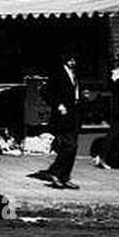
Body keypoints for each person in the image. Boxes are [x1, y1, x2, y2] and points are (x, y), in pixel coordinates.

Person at [38, 51, 81, 189]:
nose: (73, 62)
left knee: (72, 147)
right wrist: (58, 105)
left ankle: (64, 176)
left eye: (74, 60)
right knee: (69, 146)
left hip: (73, 114)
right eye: (71, 60)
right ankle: (56, 173)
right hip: (62, 116)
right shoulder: (58, 74)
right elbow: (45, 91)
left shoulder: (75, 74)